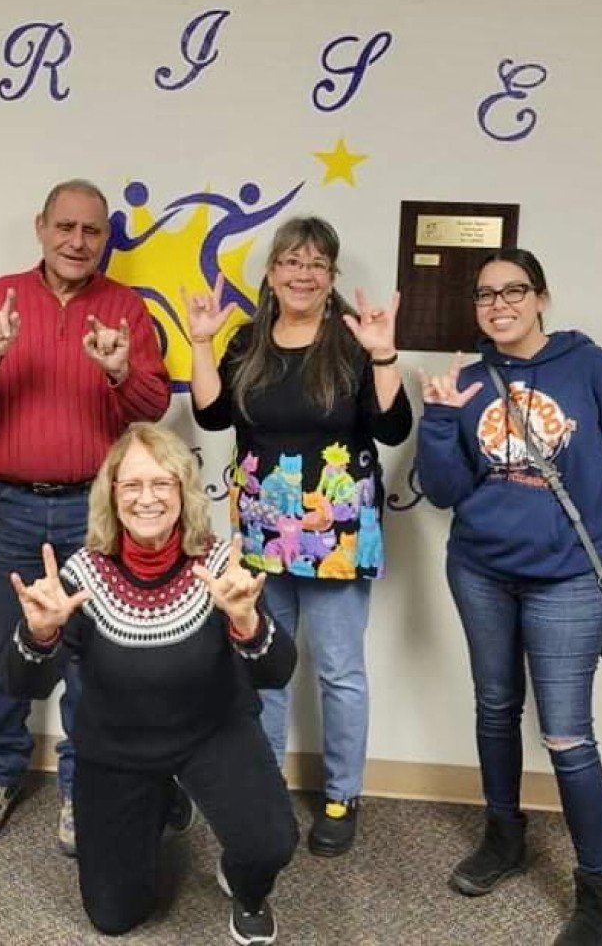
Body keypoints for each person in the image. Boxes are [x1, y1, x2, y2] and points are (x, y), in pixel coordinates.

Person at [416, 249, 602, 946]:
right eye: (486, 295)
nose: (499, 305)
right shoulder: (466, 379)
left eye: (513, 291)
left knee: (566, 734)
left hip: (568, 580)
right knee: (495, 707)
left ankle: (599, 888)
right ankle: (504, 837)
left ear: (542, 297)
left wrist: (589, 534)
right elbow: (444, 491)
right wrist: (437, 421)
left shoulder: (595, 370)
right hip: (480, 570)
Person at [0, 180, 170, 854]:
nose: (76, 241)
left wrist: (122, 373)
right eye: (64, 227)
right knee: (0, 650)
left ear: (105, 239)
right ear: (41, 227)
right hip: (9, 504)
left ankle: (79, 783)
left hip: (94, 511)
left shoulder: (125, 307)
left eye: (91, 231)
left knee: (89, 659)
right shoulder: (0, 297)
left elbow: (151, 404)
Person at [6, 423, 298, 945]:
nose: (147, 499)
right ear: (111, 495)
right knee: (114, 917)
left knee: (269, 844)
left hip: (212, 733)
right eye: (132, 485)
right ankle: (163, 797)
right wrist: (40, 632)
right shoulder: (80, 575)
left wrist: (248, 625)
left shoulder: (219, 566)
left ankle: (248, 891)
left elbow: (276, 672)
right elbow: (22, 683)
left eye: (162, 484)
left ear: (183, 493)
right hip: (115, 747)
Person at [186, 216, 411, 857]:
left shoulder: (351, 341)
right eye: (290, 261)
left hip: (336, 530)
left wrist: (383, 354)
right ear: (272, 272)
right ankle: (265, 784)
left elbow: (393, 429)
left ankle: (343, 793)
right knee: (265, 668)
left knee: (339, 671)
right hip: (262, 530)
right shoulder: (247, 341)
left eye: (316, 263)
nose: (302, 273)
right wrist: (201, 343)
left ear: (332, 276)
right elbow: (211, 414)